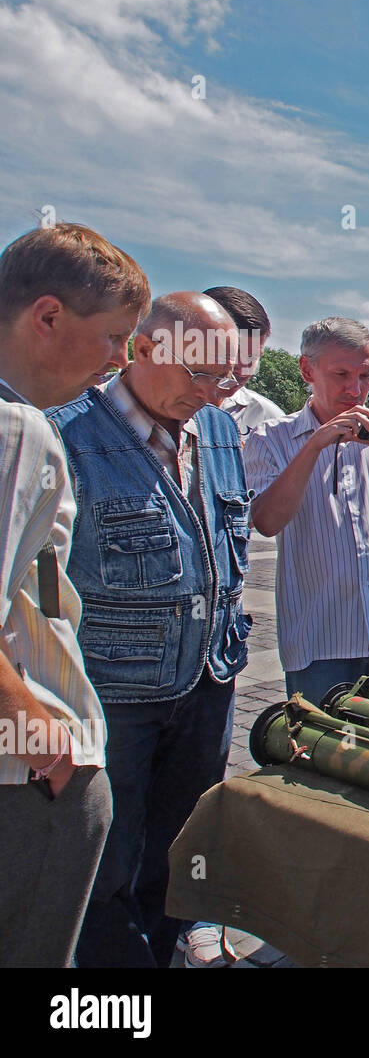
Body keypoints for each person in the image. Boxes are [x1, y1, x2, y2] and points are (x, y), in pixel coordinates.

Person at [48, 292, 250, 968]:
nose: (211, 391)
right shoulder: (67, 431)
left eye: (224, 377)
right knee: (105, 871)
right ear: (141, 349)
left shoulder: (218, 429)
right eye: (197, 373)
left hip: (208, 684)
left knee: (178, 857)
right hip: (116, 694)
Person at [0, 223, 147, 967]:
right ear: (48, 317)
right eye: (115, 336)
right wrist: (48, 743)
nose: (121, 359)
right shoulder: (18, 428)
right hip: (25, 780)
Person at [244, 318, 369, 703]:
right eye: (341, 374)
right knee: (322, 753)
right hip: (321, 637)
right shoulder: (272, 439)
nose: (355, 389)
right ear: (307, 370)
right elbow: (267, 522)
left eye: (366, 376)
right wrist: (314, 447)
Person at [205, 286, 284, 441]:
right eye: (234, 353)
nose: (243, 370)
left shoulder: (270, 419)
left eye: (253, 357)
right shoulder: (154, 409)